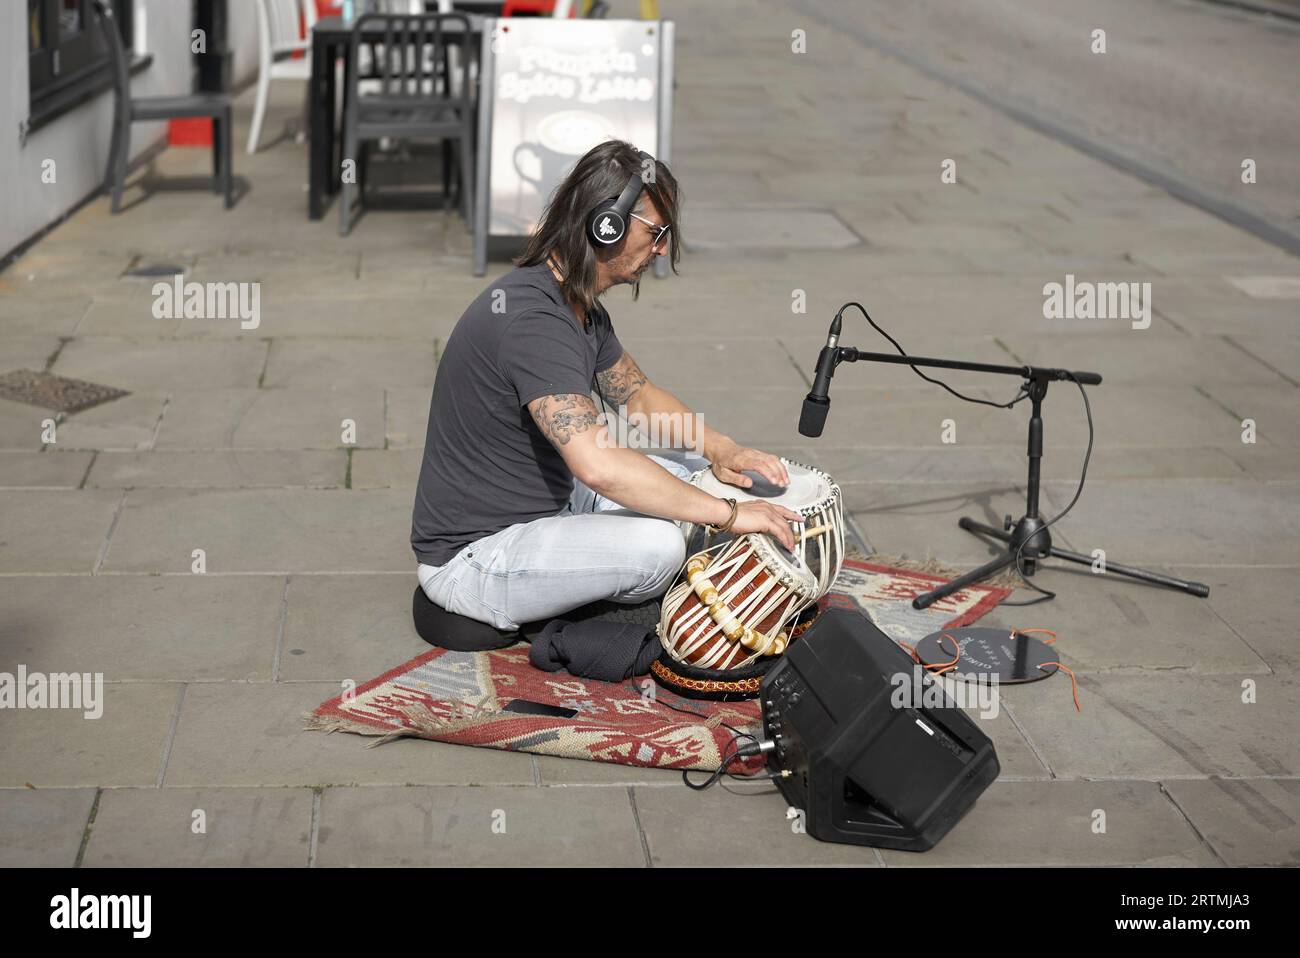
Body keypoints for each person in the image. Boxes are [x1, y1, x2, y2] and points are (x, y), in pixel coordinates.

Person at [411, 139, 802, 633]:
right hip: (473, 556)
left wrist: (722, 449)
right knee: (660, 547)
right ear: (607, 225)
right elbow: (596, 465)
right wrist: (727, 515)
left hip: (552, 505)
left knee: (697, 473)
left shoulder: (578, 306)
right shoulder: (533, 321)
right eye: (656, 232)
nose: (660, 249)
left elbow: (637, 395)